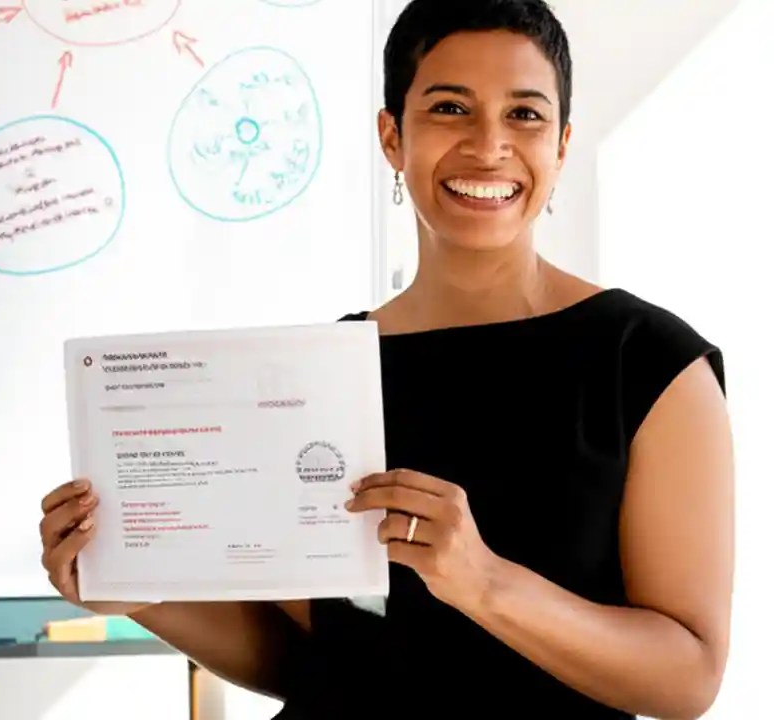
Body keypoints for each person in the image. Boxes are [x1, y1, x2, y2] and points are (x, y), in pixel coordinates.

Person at [36, 0, 734, 717]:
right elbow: (304, 659)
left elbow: (687, 680)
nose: (489, 145)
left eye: (524, 114)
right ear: (392, 137)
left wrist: (484, 583)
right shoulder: (323, 371)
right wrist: (140, 592)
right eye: (450, 108)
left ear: (561, 144)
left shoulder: (649, 366)